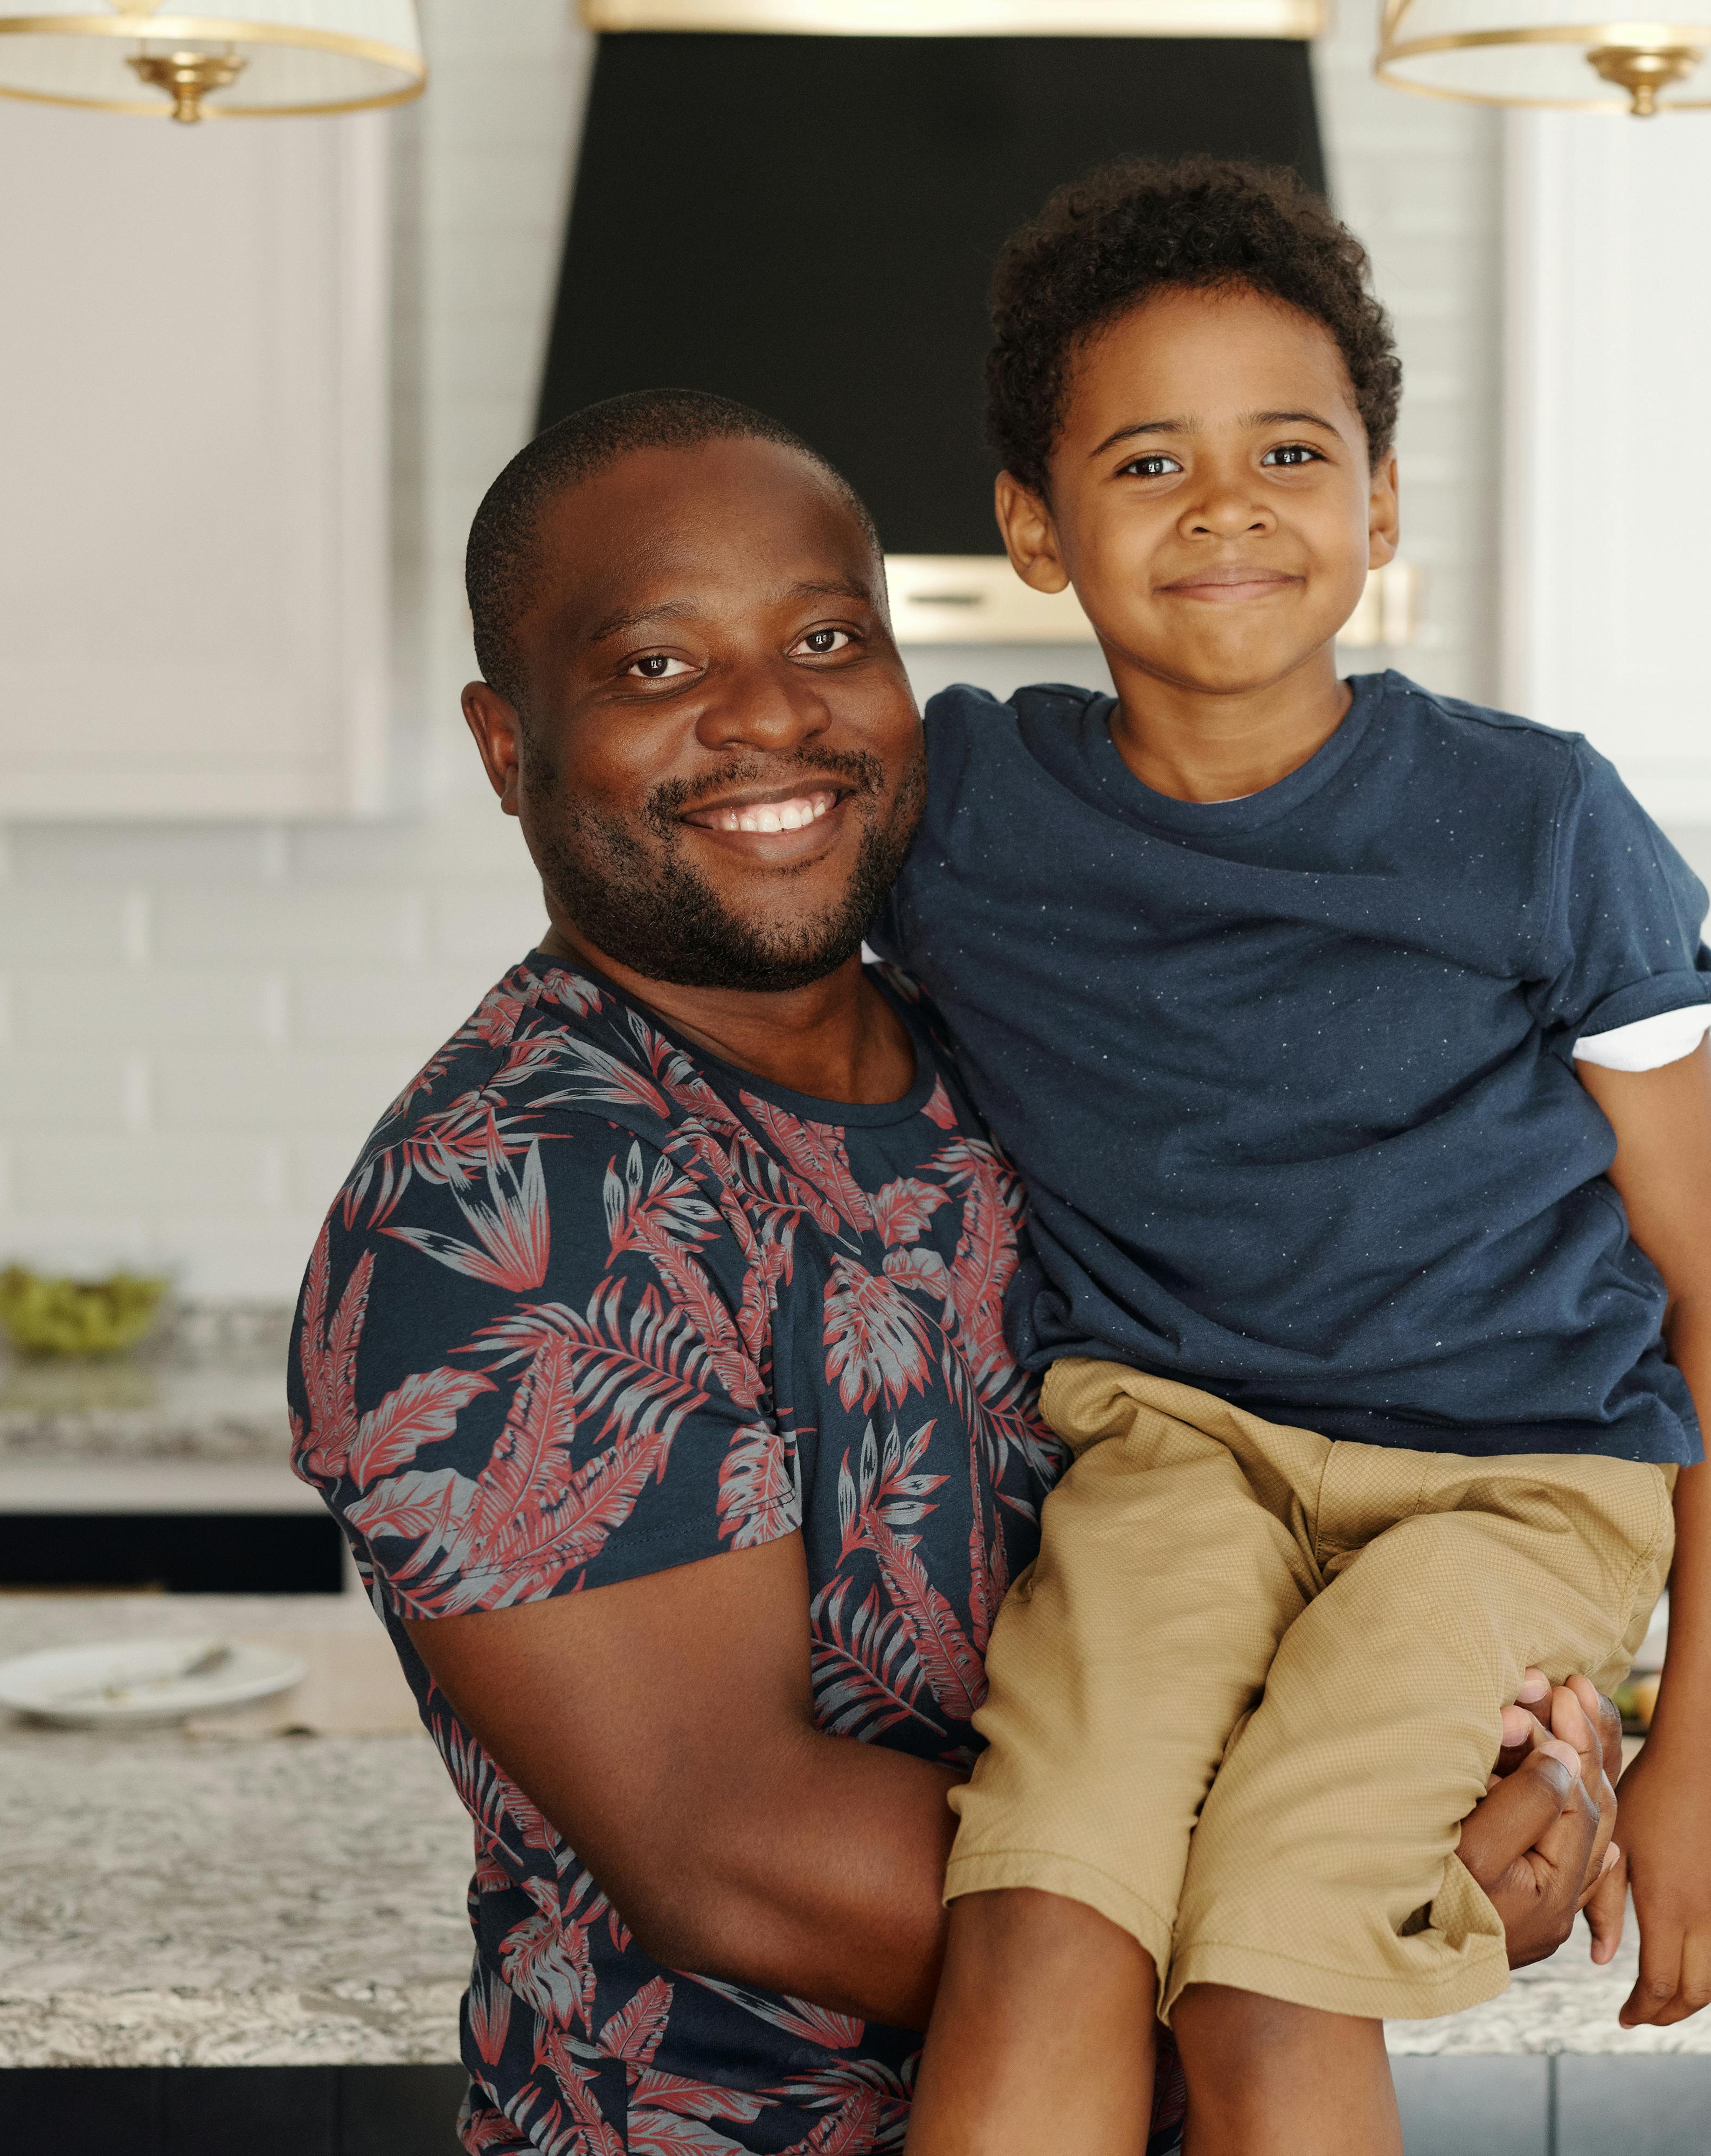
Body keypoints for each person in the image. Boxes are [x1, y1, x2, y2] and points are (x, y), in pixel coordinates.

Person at [289, 388, 1641, 2155]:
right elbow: (737, 1852)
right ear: (503, 743)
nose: (769, 714)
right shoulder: (500, 1212)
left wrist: (1538, 1727)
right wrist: (1362, 1899)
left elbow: (1347, 1454)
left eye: (828, 637)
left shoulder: (1017, 1050)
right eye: (652, 669)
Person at [885, 161, 1711, 2155]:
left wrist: (1704, 1735)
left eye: (1291, 449)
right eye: (1146, 461)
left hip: (1521, 1481)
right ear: (1034, 530)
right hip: (1168, 1454)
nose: (1227, 506)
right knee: (1042, 1914)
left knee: (1276, 1960)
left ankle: (1457, 1857)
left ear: (1381, 506)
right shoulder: (963, 813)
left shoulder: (1538, 824)